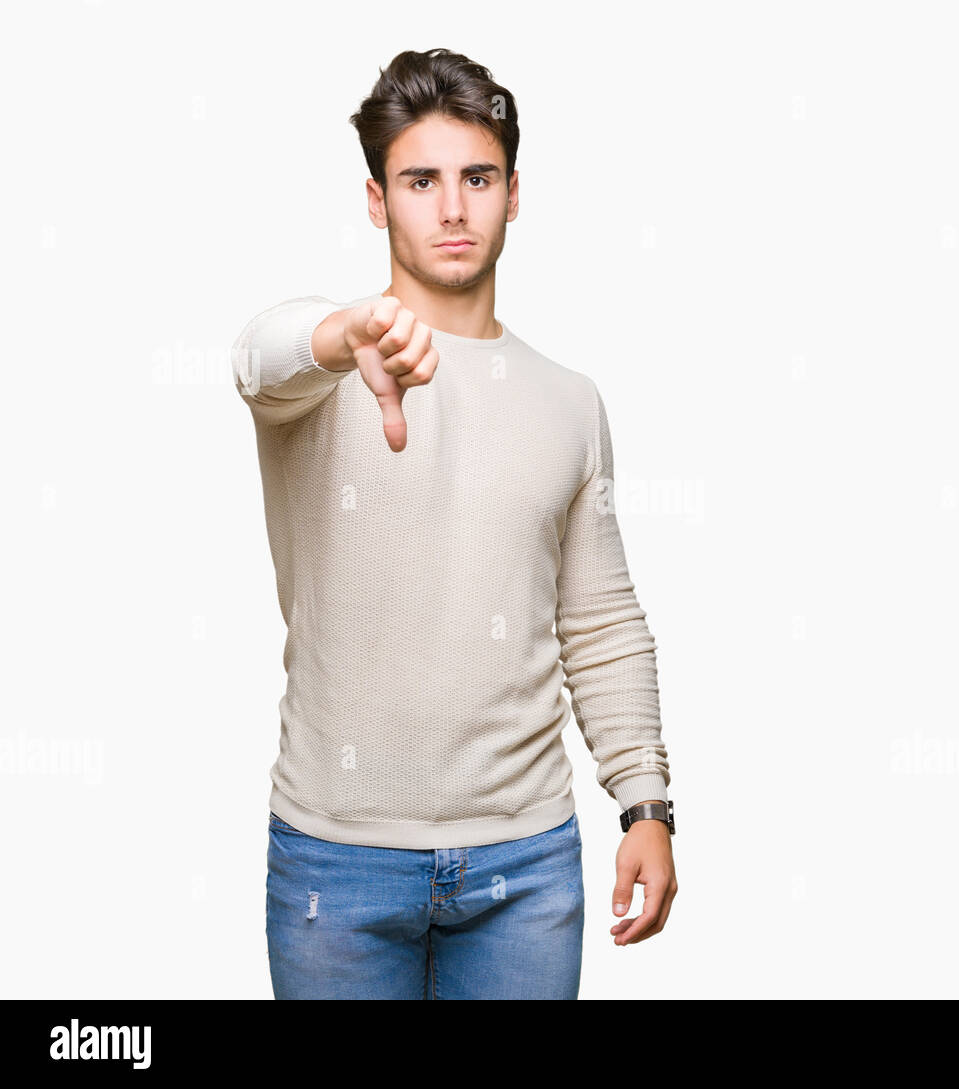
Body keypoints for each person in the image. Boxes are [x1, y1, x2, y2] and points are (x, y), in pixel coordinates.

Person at [229, 48, 677, 999]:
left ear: (514, 193)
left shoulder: (570, 400)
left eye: (477, 177)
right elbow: (256, 361)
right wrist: (345, 334)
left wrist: (647, 802)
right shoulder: (321, 371)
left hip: (526, 863)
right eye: (419, 180)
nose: (451, 207)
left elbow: (600, 621)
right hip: (337, 864)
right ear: (375, 198)